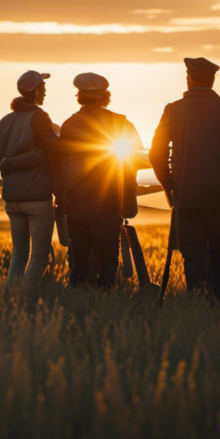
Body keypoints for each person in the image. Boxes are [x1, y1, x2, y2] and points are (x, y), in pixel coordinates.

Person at [150, 57, 220, 307]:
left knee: (193, 258)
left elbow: (156, 153)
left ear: (189, 78)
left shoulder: (173, 110)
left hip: (186, 198)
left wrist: (170, 184)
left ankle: (199, 308)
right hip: (219, 197)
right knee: (219, 257)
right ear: (212, 80)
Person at [57, 73, 144, 288]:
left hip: (75, 204)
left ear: (79, 95)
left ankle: (75, 302)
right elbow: (139, 156)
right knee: (108, 264)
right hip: (108, 203)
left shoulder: (69, 124)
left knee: (79, 265)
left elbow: (59, 165)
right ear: (105, 96)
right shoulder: (119, 122)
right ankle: (106, 301)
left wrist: (61, 194)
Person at [0, 70, 63, 281]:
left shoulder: (4, 121)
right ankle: (25, 295)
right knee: (40, 256)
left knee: (19, 254)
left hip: (12, 199)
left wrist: (11, 163)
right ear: (36, 91)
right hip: (36, 197)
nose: (45, 92)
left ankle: (11, 295)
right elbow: (53, 148)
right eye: (43, 88)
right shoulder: (39, 117)